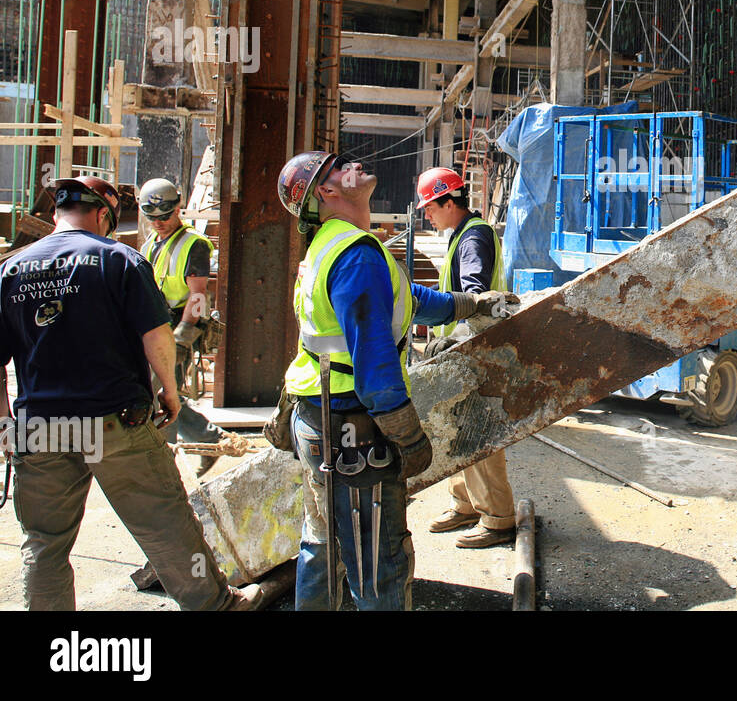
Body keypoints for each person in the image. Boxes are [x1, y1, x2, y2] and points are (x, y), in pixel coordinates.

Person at [0, 176, 258, 610]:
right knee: (166, 527)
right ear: (104, 215)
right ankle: (215, 606)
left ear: (55, 214)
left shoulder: (9, 271)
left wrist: (5, 422)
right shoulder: (118, 259)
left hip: (38, 427)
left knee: (44, 543)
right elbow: (156, 336)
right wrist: (170, 392)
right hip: (114, 421)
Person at [275, 151, 504, 610]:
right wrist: (407, 435)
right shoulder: (356, 255)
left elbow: (407, 298)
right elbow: (375, 363)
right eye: (340, 169)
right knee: (378, 559)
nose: (354, 166)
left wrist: (470, 305)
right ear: (328, 192)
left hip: (317, 413)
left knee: (323, 544)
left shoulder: (336, 244)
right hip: (352, 426)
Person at [417, 167, 518, 548]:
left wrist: (452, 340)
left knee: (478, 432)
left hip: (474, 350)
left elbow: (476, 298)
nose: (427, 214)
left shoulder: (472, 240)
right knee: (459, 430)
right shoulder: (463, 234)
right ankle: (466, 504)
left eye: (431, 207)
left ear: (449, 201)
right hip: (464, 349)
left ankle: (498, 518)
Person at [138, 177, 227, 474]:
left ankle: (168, 461)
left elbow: (198, 295)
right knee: (162, 391)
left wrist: (183, 337)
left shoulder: (194, 244)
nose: (159, 222)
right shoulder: (152, 243)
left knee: (163, 392)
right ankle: (208, 439)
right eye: (152, 217)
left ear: (178, 208)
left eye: (164, 216)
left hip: (176, 325)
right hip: (155, 324)